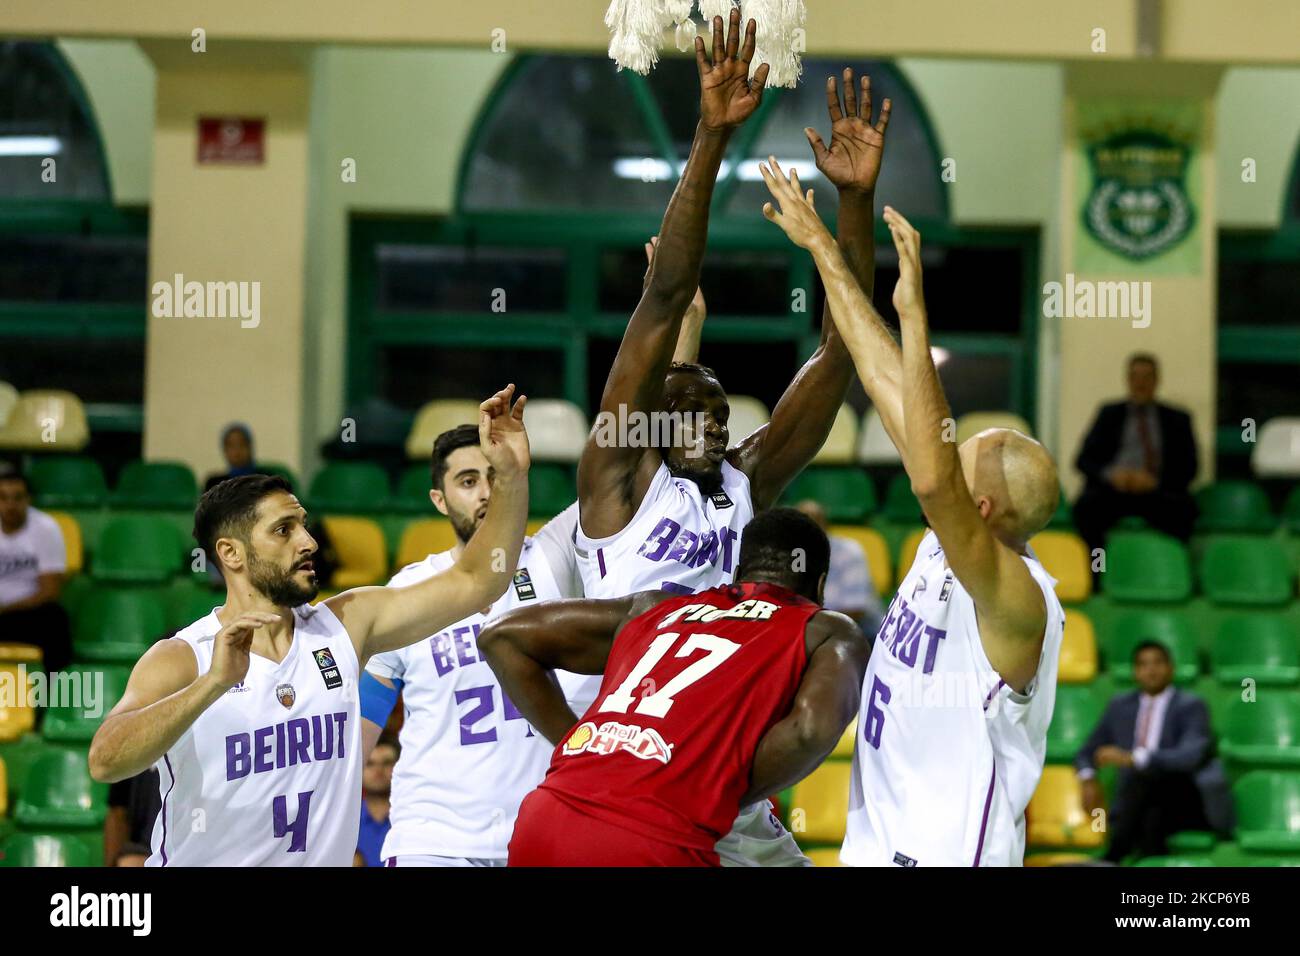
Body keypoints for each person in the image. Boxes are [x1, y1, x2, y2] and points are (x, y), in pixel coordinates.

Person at [575, 9, 888, 867]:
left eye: (717, 401)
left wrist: (852, 205)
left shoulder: (747, 484)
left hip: (722, 765)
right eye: (687, 399)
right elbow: (666, 295)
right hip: (626, 758)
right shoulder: (616, 481)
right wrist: (710, 136)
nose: (709, 412)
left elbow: (841, 350)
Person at [759, 162, 1065, 866]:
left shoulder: (1019, 598)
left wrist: (917, 316)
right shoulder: (945, 543)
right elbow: (881, 373)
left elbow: (931, 473)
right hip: (880, 845)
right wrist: (823, 250)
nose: (942, 452)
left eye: (962, 458)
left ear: (981, 508)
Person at [86, 385, 531, 867]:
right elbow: (106, 760)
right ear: (231, 554)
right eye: (284, 530)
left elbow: (479, 580)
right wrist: (212, 684)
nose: (308, 542)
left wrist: (509, 476)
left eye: (303, 524)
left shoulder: (346, 623)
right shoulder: (183, 657)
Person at [481, 508, 868, 866]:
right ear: (820, 585)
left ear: (736, 573)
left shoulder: (653, 608)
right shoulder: (824, 627)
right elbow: (808, 731)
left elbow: (502, 637)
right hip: (656, 834)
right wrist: (723, 790)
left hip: (546, 816)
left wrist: (579, 744)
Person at [358, 424, 592, 867]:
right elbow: (358, 735)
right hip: (433, 840)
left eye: (493, 477)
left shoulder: (555, 559)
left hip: (545, 833)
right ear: (439, 500)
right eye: (467, 482)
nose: (484, 492)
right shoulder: (407, 592)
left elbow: (612, 480)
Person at [1075, 641, 1228, 862]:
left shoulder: (1192, 706)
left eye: (1158, 663)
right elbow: (1087, 751)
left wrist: (1135, 758)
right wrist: (1088, 778)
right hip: (1141, 805)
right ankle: (1145, 856)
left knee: (1148, 778)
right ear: (1135, 672)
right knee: (1149, 817)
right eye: (1143, 664)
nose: (1151, 670)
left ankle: (1114, 856)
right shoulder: (1120, 706)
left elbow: (1190, 756)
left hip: (1184, 800)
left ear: (1171, 668)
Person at [1072, 353, 1198, 557]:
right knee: (1086, 509)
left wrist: (1153, 481)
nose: (1140, 383)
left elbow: (1190, 468)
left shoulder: (1177, 419)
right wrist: (1112, 475)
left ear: (1157, 380)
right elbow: (1083, 460)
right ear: (1127, 380)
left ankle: (1170, 572)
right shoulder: (1109, 414)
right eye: (1135, 377)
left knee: (1184, 511)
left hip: (1157, 492)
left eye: (1147, 377)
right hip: (1113, 491)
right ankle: (1096, 572)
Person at [0, 463, 71, 675]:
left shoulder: (46, 528)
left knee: (55, 619)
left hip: (26, 616)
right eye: (3, 498)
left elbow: (50, 591)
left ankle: (55, 699)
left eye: (17, 497)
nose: (10, 505)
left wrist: (5, 609)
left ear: (28, 499)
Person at [793, 499, 884, 634]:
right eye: (801, 523)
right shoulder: (796, 554)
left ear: (826, 524)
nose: (809, 528)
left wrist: (811, 629)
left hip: (862, 631)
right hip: (815, 629)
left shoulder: (849, 552)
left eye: (815, 521)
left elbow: (856, 611)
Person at [356, 737, 397, 867]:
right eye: (370, 763)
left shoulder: (417, 818)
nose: (378, 771)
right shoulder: (344, 822)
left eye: (387, 763)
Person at [203, 422, 257, 492]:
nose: (237, 450)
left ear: (250, 447)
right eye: (231, 445)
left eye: (241, 444)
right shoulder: (214, 484)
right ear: (224, 450)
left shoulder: (265, 480)